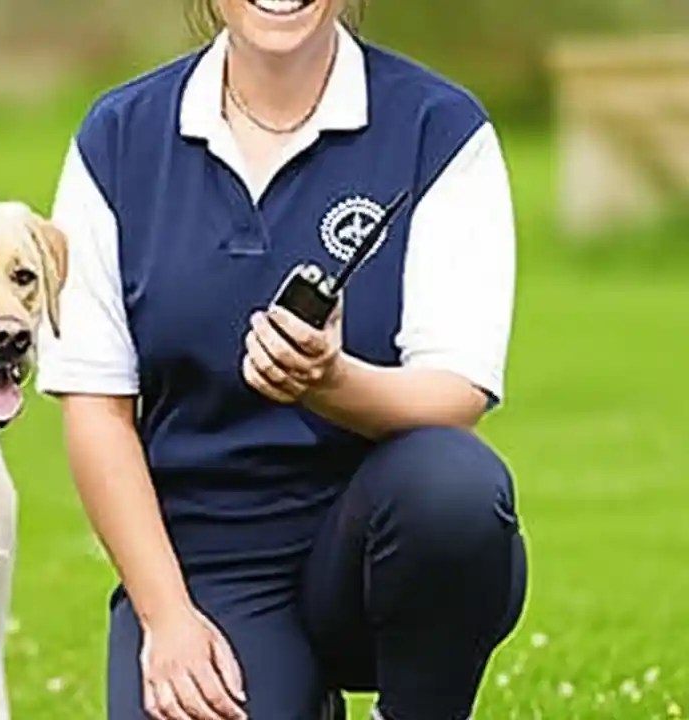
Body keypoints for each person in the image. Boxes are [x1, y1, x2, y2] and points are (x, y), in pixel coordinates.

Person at [35, 1, 527, 718]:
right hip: (207, 556)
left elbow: (457, 393)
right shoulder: (117, 138)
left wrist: (331, 383)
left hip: (372, 535)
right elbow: (96, 409)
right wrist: (167, 618)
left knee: (453, 489)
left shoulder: (440, 128)